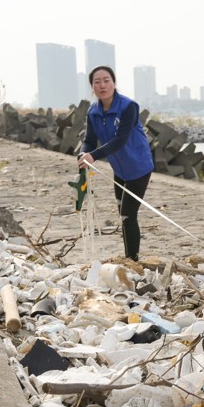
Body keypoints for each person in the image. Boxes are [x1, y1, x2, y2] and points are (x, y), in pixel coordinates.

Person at [77, 66, 155, 261]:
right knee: (122, 213)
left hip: (138, 168)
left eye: (106, 80)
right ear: (92, 87)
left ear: (114, 83)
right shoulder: (93, 111)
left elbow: (120, 140)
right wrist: (83, 153)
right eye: (97, 82)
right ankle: (129, 257)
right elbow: (89, 139)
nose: (102, 85)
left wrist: (94, 156)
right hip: (119, 169)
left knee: (128, 214)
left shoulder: (128, 107)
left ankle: (132, 259)